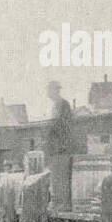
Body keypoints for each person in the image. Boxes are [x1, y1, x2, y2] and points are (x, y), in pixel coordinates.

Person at [44, 81, 76, 213]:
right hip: (56, 150)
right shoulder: (56, 105)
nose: (47, 93)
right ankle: (58, 205)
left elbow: (62, 126)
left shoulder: (63, 105)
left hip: (62, 149)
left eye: (49, 90)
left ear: (55, 90)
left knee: (61, 178)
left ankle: (63, 206)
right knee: (56, 179)